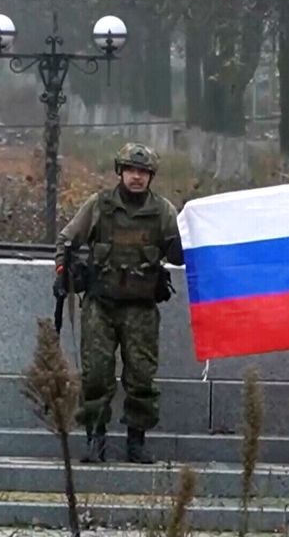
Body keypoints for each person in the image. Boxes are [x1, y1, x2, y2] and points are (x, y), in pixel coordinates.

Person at [53, 142, 184, 464]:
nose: (137, 177)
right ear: (120, 172)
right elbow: (67, 240)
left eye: (143, 172)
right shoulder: (100, 205)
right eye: (131, 170)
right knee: (96, 375)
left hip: (140, 308)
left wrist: (188, 241)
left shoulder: (163, 211)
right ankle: (95, 440)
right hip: (101, 305)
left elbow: (178, 255)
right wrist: (62, 271)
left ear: (150, 176)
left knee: (141, 378)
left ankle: (136, 442)